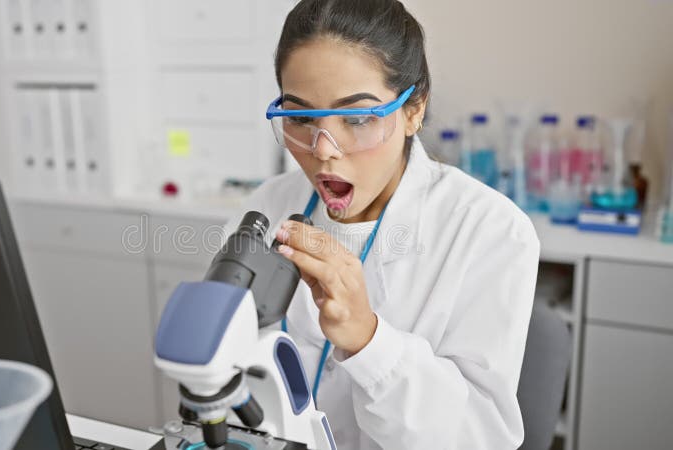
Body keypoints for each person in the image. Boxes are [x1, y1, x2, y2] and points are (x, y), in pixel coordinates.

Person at [222, 0, 540, 448]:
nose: (324, 149)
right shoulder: (266, 205)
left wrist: (368, 342)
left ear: (414, 110)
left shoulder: (490, 230)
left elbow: (481, 436)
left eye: (356, 118)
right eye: (299, 118)